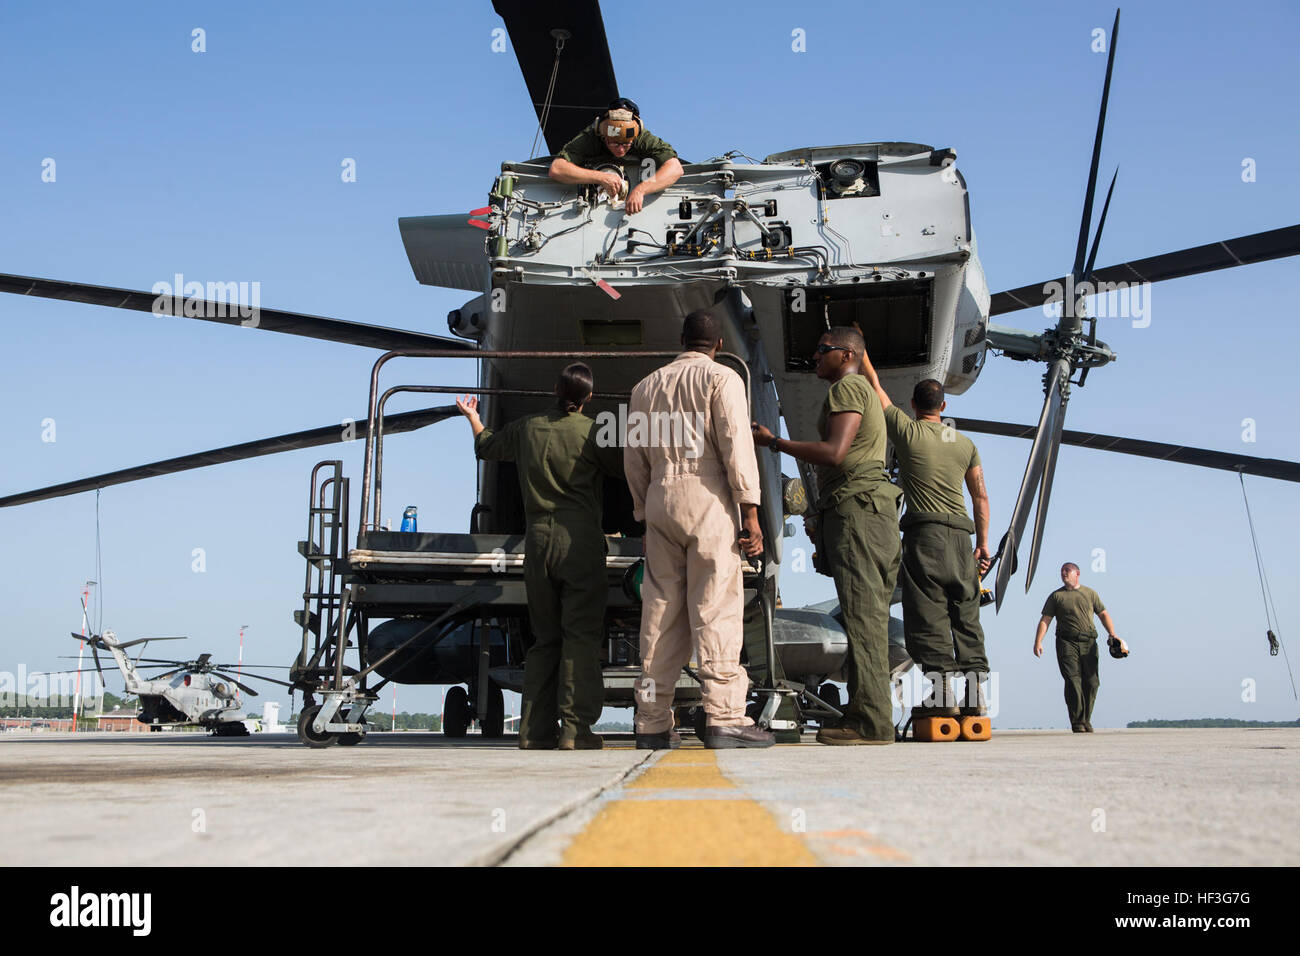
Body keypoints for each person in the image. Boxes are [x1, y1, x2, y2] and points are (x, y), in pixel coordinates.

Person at [456, 364, 622, 751]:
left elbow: (486, 447)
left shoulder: (528, 428)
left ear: (554, 389)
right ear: (589, 397)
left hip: (537, 543)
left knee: (545, 637)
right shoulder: (594, 430)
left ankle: (533, 731)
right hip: (579, 542)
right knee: (580, 635)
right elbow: (627, 469)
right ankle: (575, 730)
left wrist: (474, 417)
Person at [625, 309, 771, 749]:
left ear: (681, 339)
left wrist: (642, 514)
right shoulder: (722, 379)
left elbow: (633, 459)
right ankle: (725, 717)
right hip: (708, 499)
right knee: (714, 608)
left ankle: (651, 722)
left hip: (659, 501)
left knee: (660, 614)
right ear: (719, 345)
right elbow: (735, 444)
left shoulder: (643, 388)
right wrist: (750, 513)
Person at [752, 326, 902, 745]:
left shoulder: (846, 390)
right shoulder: (862, 389)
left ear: (846, 354)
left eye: (821, 351)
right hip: (871, 514)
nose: (815, 358)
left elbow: (835, 453)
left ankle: (872, 724)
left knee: (863, 621)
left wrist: (774, 441)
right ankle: (862, 715)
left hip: (857, 513)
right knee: (864, 618)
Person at [857, 357, 992, 719]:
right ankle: (976, 695)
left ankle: (943, 698)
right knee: (967, 614)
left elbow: (877, 390)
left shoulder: (907, 431)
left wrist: (864, 354)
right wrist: (983, 544)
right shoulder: (965, 444)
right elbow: (980, 496)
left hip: (925, 536)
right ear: (944, 406)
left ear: (914, 406)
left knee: (928, 616)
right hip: (963, 539)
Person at [1034, 563, 1129, 732]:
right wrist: (1038, 641)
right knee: (1072, 679)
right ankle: (1077, 721)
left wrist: (1112, 634)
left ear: (1077, 573)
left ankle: (1086, 718)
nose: (1063, 573)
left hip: (1089, 642)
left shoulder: (1090, 593)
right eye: (1062, 571)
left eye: (1067, 571)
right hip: (1066, 642)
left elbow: (1103, 614)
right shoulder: (1056, 596)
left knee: (1092, 682)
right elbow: (1045, 620)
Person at [548, 97, 683, 214]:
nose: (620, 150)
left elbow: (675, 168)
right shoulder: (591, 137)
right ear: (603, 135)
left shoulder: (641, 137)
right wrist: (601, 177)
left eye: (626, 144)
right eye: (613, 143)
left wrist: (640, 190)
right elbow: (557, 169)